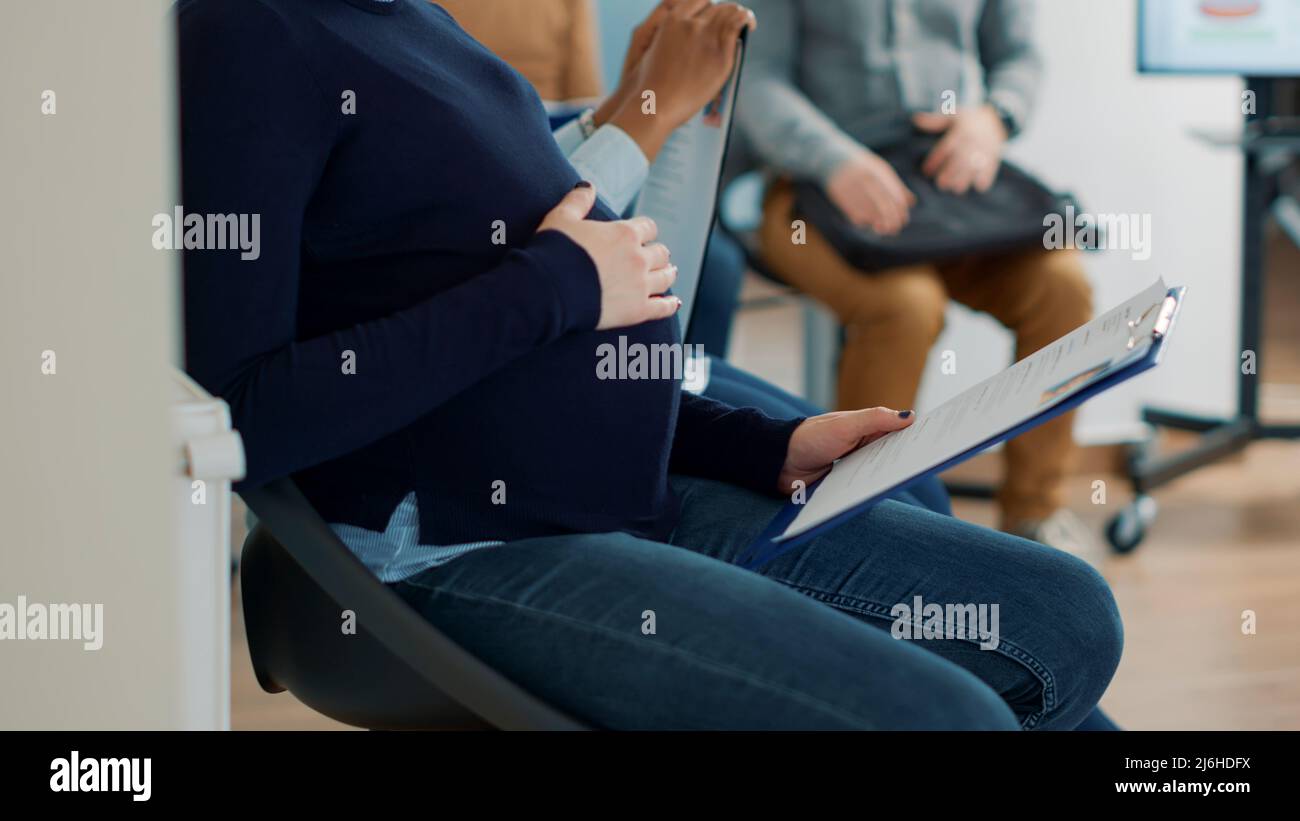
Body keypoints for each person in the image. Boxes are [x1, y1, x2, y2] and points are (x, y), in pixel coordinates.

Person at [180, 0, 1121, 729]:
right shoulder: (246, 39)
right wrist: (552, 285)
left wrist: (766, 446)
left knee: (1065, 614)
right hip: (453, 543)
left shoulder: (412, 20)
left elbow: (539, 330)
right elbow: (245, 414)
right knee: (953, 715)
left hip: (615, 479)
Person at [736, 0, 1098, 554]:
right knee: (905, 306)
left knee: (1063, 286)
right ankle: (853, 525)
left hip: (945, 186)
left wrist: (993, 116)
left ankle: (1035, 511)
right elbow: (757, 79)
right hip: (814, 186)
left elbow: (1019, 56)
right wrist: (834, 160)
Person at [440, 0, 745, 359]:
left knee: (714, 269)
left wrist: (628, 98)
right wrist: (653, 111)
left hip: (551, 140)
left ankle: (681, 379)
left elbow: (581, 98)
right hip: (518, 310)